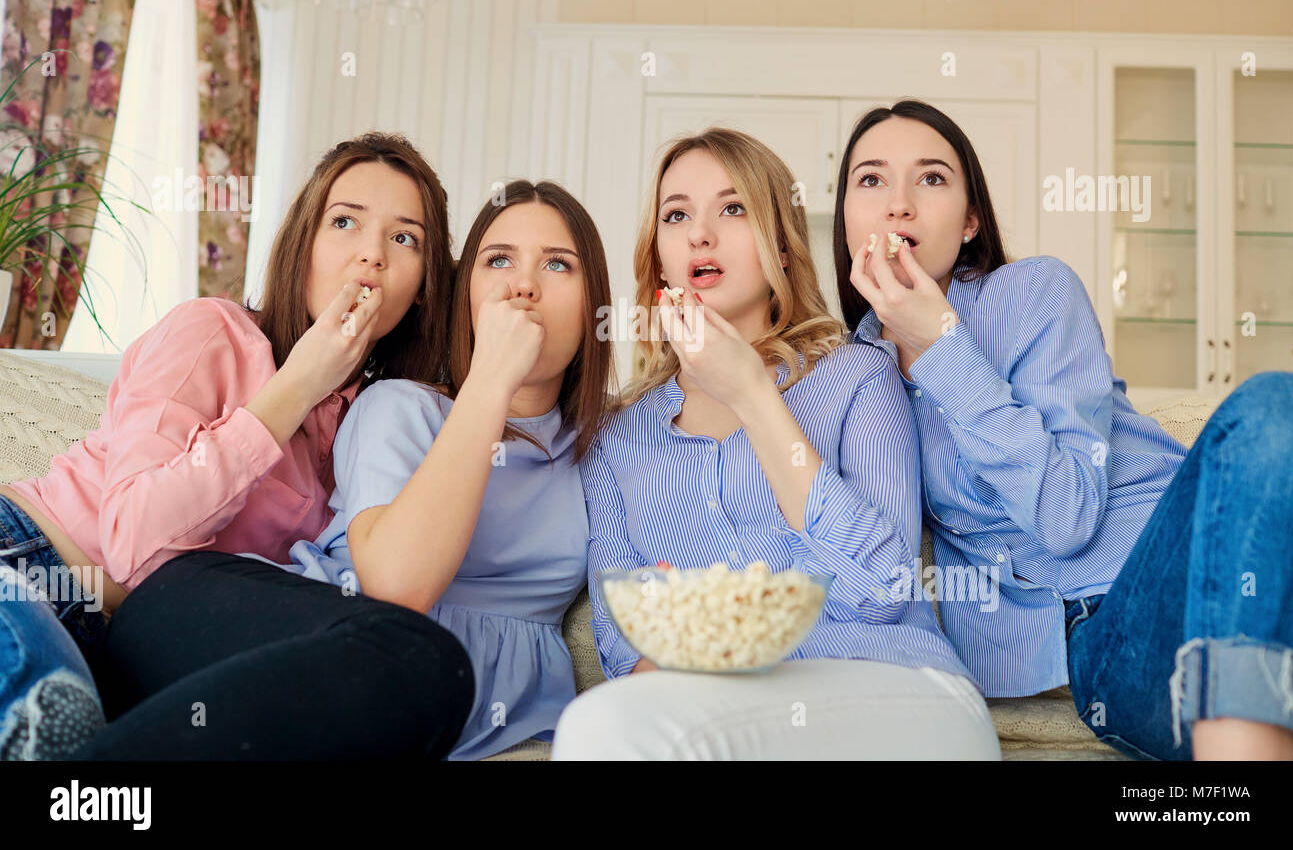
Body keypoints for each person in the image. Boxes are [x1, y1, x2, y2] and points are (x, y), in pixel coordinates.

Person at [76, 180, 612, 760]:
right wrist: (490, 381)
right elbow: (396, 585)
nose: (523, 286)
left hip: (417, 708)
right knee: (425, 660)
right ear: (467, 299)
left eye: (559, 265)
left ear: (595, 307)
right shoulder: (403, 408)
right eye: (498, 261)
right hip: (236, 627)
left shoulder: (608, 448)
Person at [834, 97, 1293, 760]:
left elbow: (1071, 503)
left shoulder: (1034, 293)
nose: (898, 204)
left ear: (970, 222)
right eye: (871, 180)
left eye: (932, 177)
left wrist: (943, 344)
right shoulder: (848, 378)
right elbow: (1063, 528)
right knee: (1276, 404)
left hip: (1197, 552)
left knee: (1275, 408)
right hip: (1115, 631)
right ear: (846, 217)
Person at [0, 131, 474, 759]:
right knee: (51, 732)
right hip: (31, 568)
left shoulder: (373, 423)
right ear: (301, 246)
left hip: (137, 653)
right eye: (345, 222)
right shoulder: (212, 332)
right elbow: (131, 541)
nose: (373, 256)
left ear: (422, 286)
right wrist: (298, 384)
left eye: (404, 237)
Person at [552, 128, 1000, 759]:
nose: (700, 234)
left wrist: (755, 400)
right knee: (603, 722)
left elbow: (880, 592)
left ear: (783, 250)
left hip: (896, 685)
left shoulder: (856, 376)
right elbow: (625, 640)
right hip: (718, 706)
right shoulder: (614, 437)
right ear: (658, 259)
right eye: (676, 215)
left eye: (733, 209)